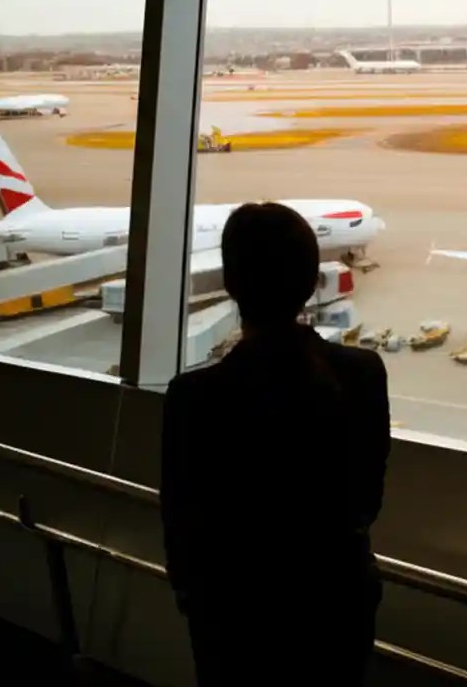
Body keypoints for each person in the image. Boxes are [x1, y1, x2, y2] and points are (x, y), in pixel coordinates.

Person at [160, 202, 391, 685]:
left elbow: (184, 530)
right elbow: (367, 500)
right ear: (311, 281)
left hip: (236, 623)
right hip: (335, 608)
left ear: (231, 284)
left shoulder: (193, 398)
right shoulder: (363, 374)